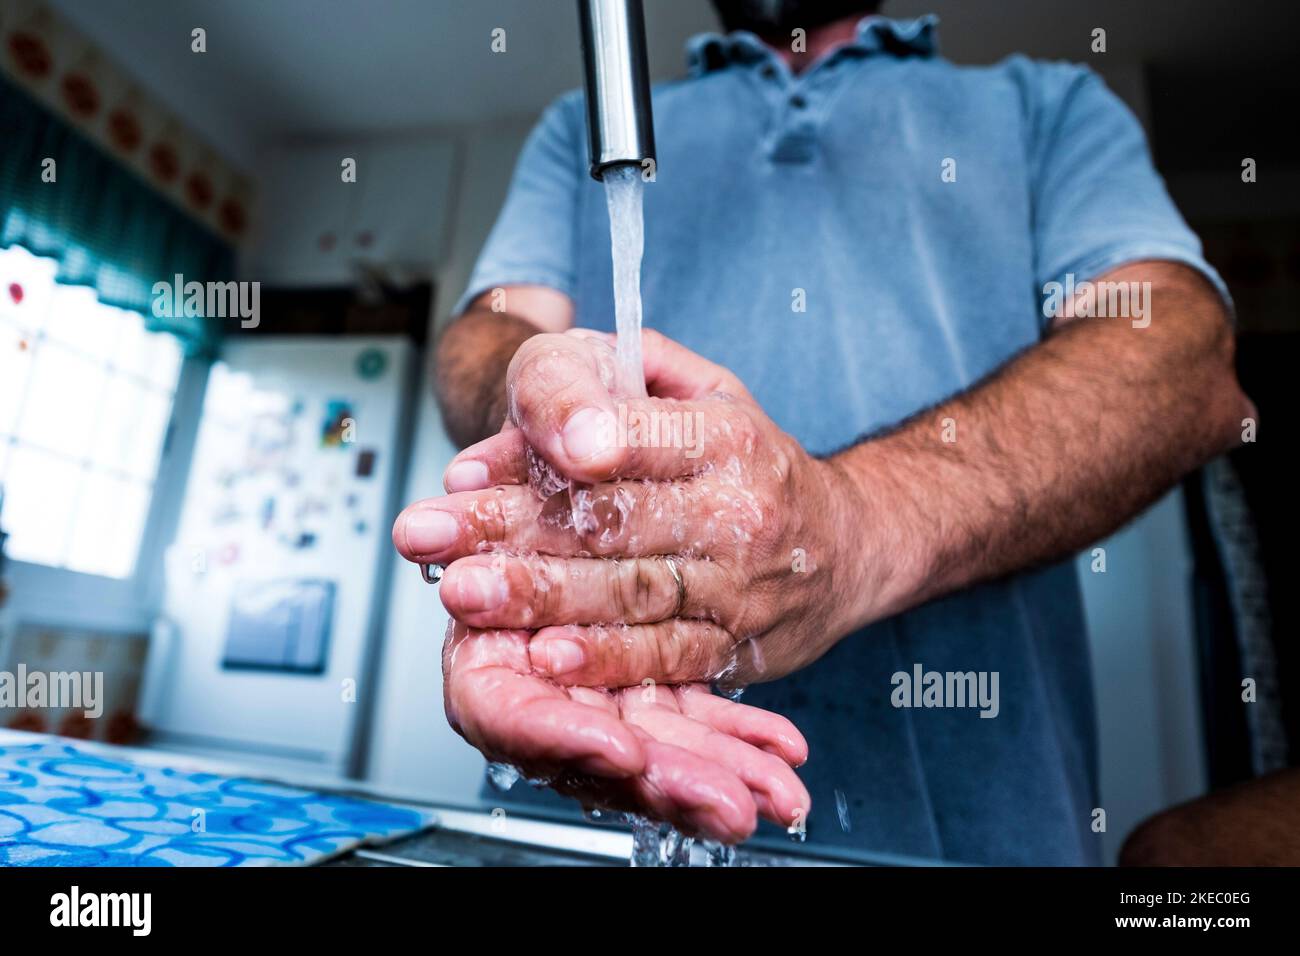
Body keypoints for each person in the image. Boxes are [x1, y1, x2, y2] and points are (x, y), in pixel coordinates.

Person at [392, 3, 1253, 864]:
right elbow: (493, 327)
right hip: (582, 812)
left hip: (972, 832)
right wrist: (535, 390)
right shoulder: (582, 120)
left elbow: (1177, 352)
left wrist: (854, 529)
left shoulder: (1045, 104)